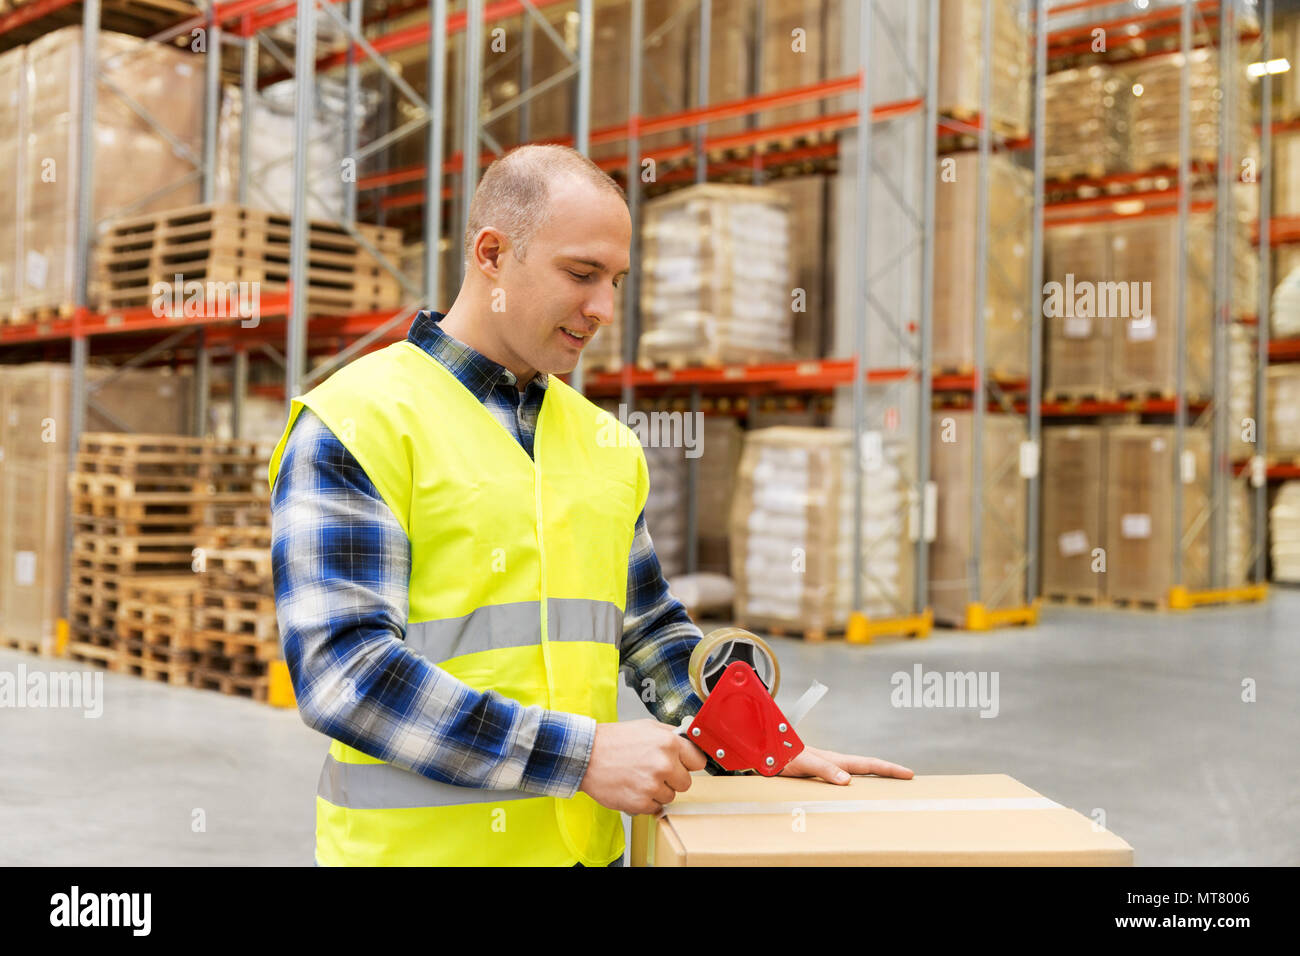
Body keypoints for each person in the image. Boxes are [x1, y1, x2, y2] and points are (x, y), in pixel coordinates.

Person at [269, 143, 912, 867]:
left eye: (616, 280)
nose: (603, 308)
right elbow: (345, 676)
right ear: (491, 254)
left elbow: (646, 627)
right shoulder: (357, 422)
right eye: (580, 274)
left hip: (586, 855)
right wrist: (581, 756)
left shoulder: (603, 441)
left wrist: (758, 744)